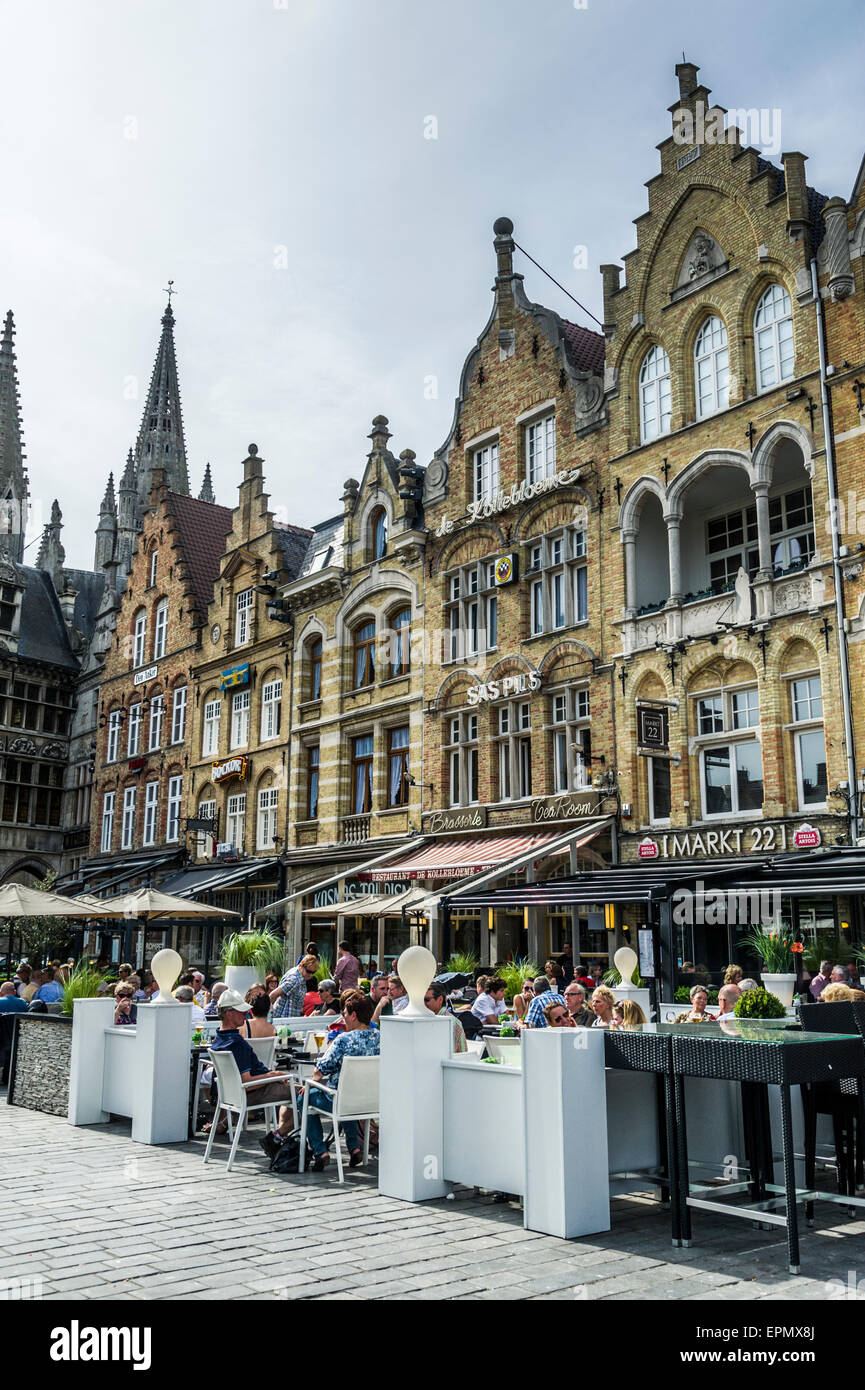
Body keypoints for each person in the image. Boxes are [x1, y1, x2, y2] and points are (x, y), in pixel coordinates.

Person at [297, 989, 381, 1171]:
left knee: (304, 1098)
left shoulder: (343, 1040)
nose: (343, 1018)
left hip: (342, 1101)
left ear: (354, 1015)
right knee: (346, 1095)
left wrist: (311, 1083)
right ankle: (355, 1148)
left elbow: (320, 1070)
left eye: (344, 1014)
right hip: (370, 1102)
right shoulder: (380, 1037)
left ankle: (320, 1151)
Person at [205, 989, 294, 1144]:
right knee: (305, 1094)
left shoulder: (219, 1039)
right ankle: (277, 1137)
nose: (245, 1013)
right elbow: (246, 1083)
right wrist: (273, 1076)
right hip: (255, 1091)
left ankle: (278, 1135)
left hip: (231, 1096)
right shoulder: (237, 1043)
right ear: (229, 1013)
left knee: (300, 1091)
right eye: (241, 1011)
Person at [423, 980, 467, 1053]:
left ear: (440, 999)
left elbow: (462, 1054)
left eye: (426, 1000)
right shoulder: (423, 1019)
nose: (423, 1003)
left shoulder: (453, 1023)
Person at [271, 954, 319, 1019]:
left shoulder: (299, 974)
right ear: (301, 965)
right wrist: (266, 1016)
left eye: (313, 972)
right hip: (283, 1020)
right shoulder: (295, 980)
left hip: (288, 1020)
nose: (310, 975)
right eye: (308, 971)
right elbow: (273, 995)